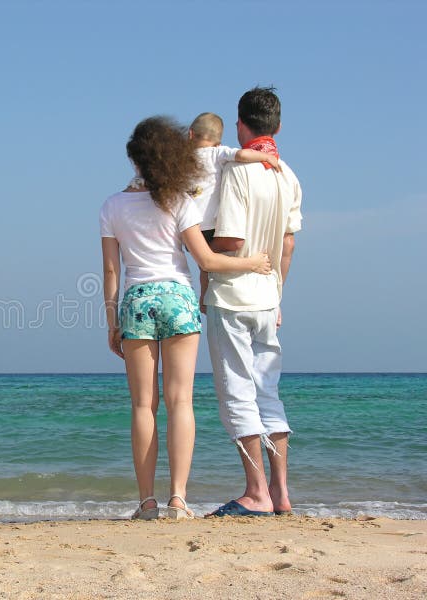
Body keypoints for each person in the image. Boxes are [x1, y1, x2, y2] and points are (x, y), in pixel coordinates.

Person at [100, 116, 272, 520]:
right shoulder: (180, 200)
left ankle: (146, 503)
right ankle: (178, 499)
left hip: (137, 301)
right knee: (181, 402)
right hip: (177, 298)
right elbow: (207, 259)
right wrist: (254, 263)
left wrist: (112, 321)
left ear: (135, 159)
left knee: (144, 405)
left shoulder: (112, 206)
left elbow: (111, 272)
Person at [203, 87, 303, 518]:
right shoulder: (288, 174)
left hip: (233, 293)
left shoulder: (237, 173)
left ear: (240, 124)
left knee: (237, 393)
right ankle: (281, 494)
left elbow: (231, 239)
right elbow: (288, 244)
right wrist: (278, 292)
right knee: (269, 394)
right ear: (277, 126)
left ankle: (256, 492)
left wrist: (199, 246)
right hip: (267, 298)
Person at [186, 112, 280, 312]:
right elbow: (242, 155)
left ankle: (203, 295)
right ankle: (248, 266)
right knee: (210, 263)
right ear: (218, 142)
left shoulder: (182, 159)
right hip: (211, 224)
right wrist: (266, 156)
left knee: (204, 265)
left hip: (189, 226)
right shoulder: (217, 153)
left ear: (190, 134)